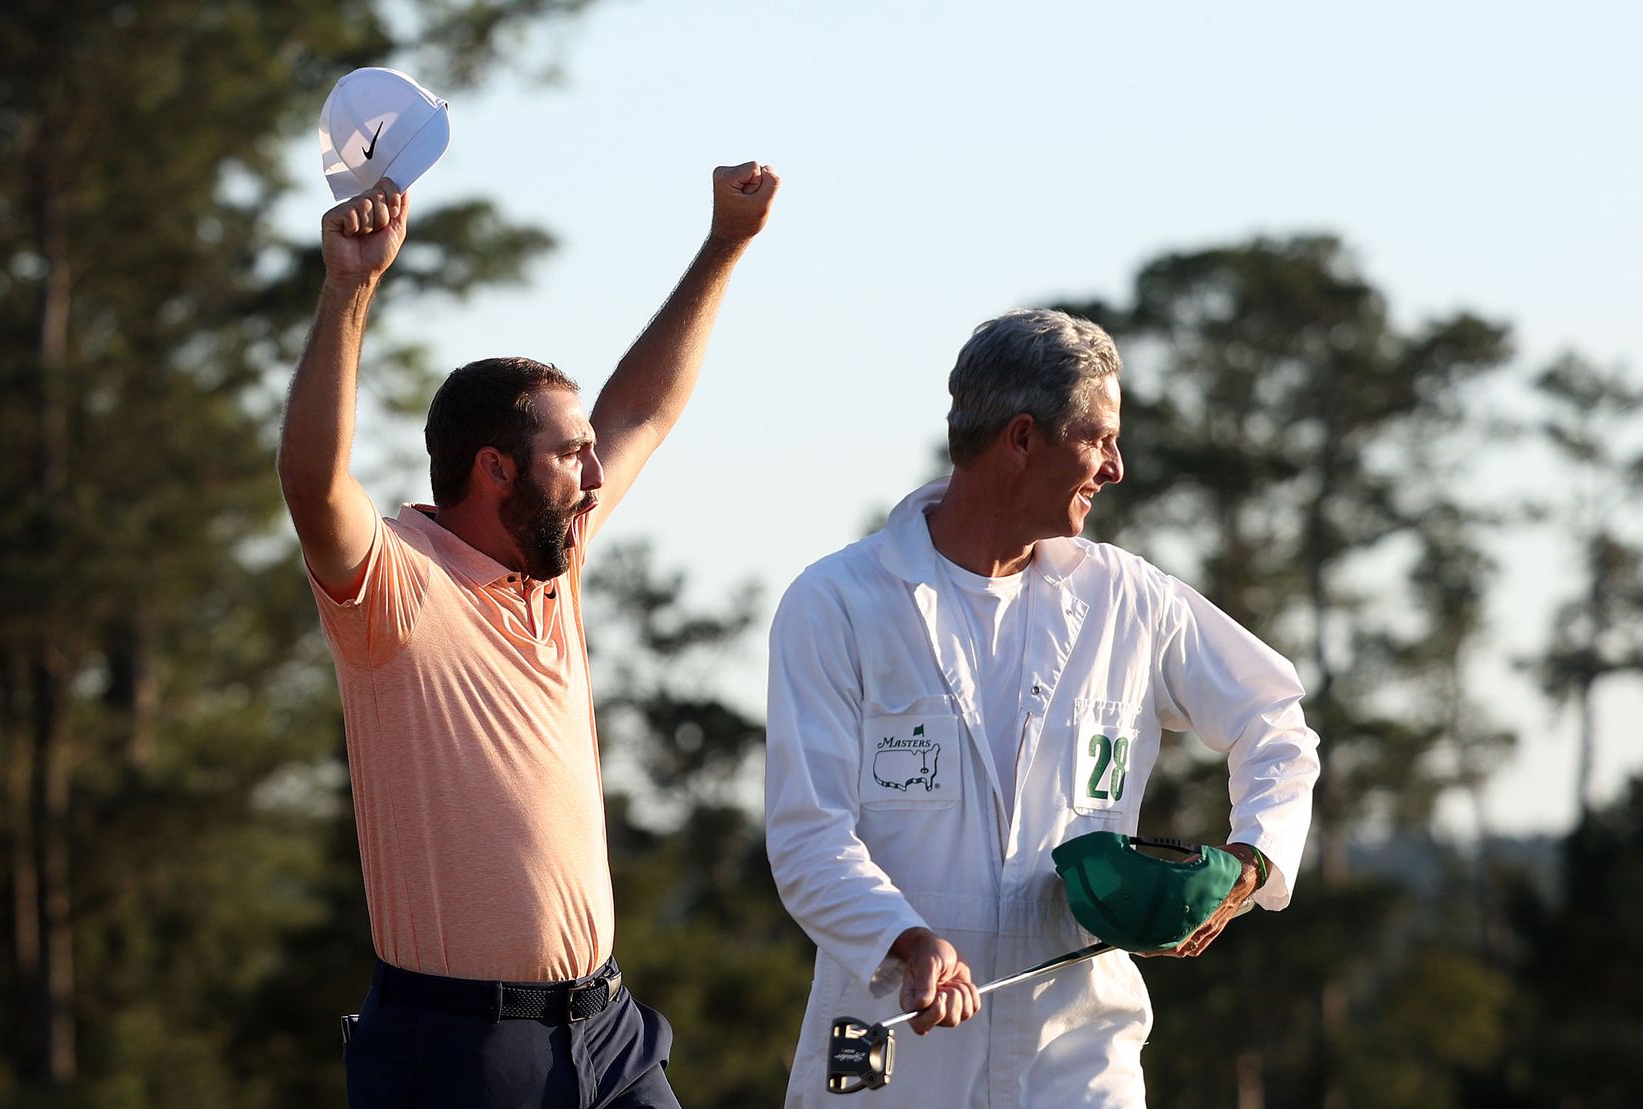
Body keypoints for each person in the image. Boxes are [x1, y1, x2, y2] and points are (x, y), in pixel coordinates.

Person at [278, 162, 779, 1108]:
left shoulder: (554, 562)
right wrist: (349, 290)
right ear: (497, 469)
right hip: (457, 1052)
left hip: (612, 1032)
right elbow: (311, 484)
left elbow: (646, 409)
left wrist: (725, 244)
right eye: (570, 452)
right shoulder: (396, 586)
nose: (597, 472)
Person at [764, 309, 1320, 1107]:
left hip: (1081, 1060)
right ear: (1021, 438)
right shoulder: (837, 604)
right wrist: (905, 939)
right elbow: (808, 836)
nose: (1117, 468)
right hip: (897, 1057)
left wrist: (1253, 858)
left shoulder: (1129, 598)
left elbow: (1276, 722)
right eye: (1099, 438)